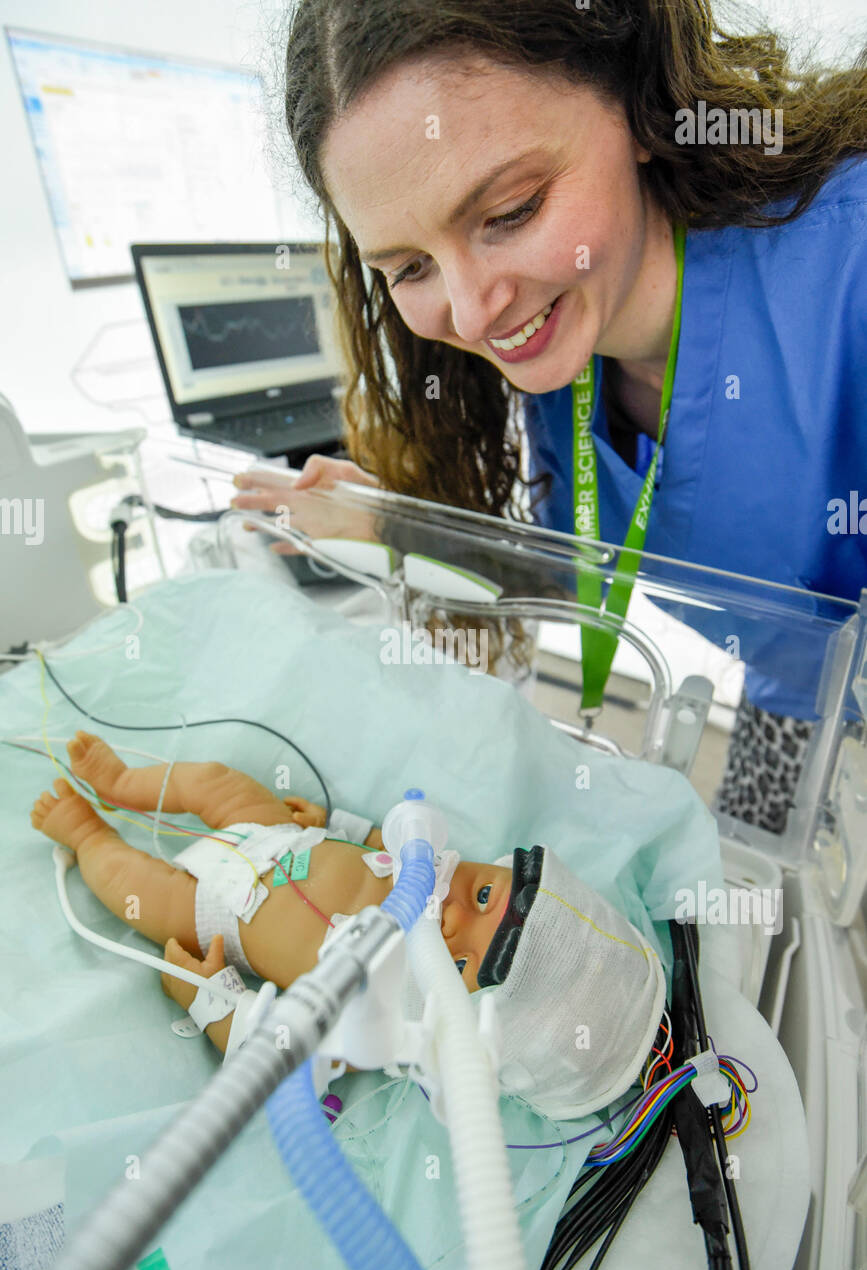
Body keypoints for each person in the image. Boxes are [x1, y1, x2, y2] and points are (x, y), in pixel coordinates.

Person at [232, 0, 867, 832]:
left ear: (640, 104)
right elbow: (572, 568)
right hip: (792, 706)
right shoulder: (564, 356)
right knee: (754, 921)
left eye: (511, 212)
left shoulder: (844, 272)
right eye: (411, 266)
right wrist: (397, 528)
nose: (471, 313)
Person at [29, 731, 664, 1119]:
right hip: (280, 830)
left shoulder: (374, 1024)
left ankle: (85, 832)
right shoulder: (431, 874)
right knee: (216, 782)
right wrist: (337, 824)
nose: (448, 913)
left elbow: (273, 1048)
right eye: (484, 893)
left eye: (464, 965)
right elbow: (388, 846)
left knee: (132, 888)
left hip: (215, 915)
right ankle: (119, 781)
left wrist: (210, 998)